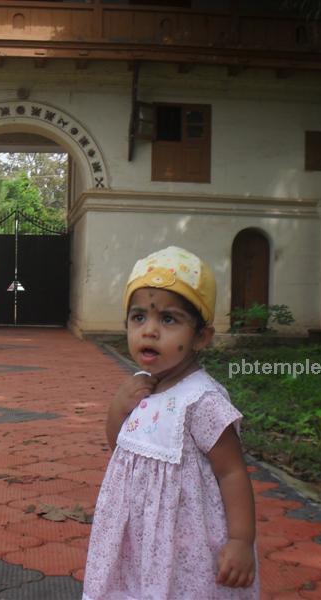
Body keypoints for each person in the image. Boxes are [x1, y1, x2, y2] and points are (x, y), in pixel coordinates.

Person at [83, 246, 258, 600]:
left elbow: (232, 473)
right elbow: (118, 445)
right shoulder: (140, 385)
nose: (149, 331)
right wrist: (119, 406)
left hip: (183, 539)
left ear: (201, 337)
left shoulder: (202, 399)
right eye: (138, 318)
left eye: (168, 320)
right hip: (134, 536)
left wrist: (241, 540)